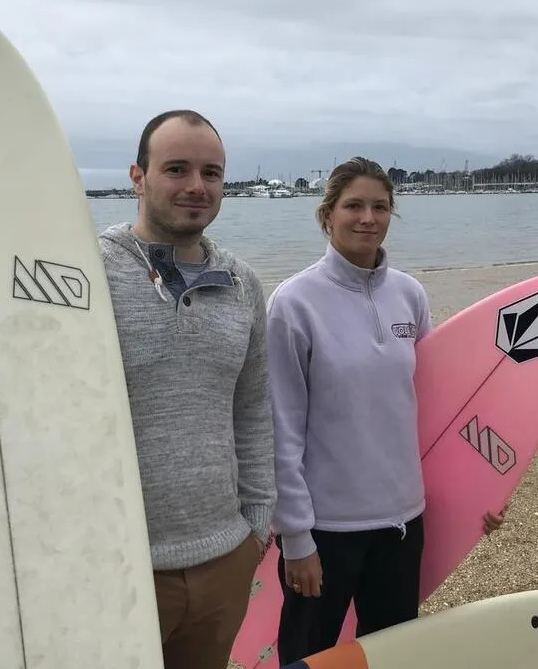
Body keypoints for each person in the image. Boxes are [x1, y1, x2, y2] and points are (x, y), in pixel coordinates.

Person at [265, 156, 506, 664]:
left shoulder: (409, 295)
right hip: (327, 528)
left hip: (402, 522)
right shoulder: (293, 304)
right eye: (354, 205)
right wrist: (295, 538)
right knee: (309, 656)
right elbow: (280, 429)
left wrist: (478, 492)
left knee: (391, 655)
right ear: (327, 213)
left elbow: (437, 410)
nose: (367, 218)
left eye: (380, 206)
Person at [98, 109, 276, 669]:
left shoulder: (243, 282)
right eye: (176, 169)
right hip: (114, 565)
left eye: (212, 173)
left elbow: (252, 408)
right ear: (137, 176)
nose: (197, 187)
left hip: (225, 555)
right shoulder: (86, 273)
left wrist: (258, 521)